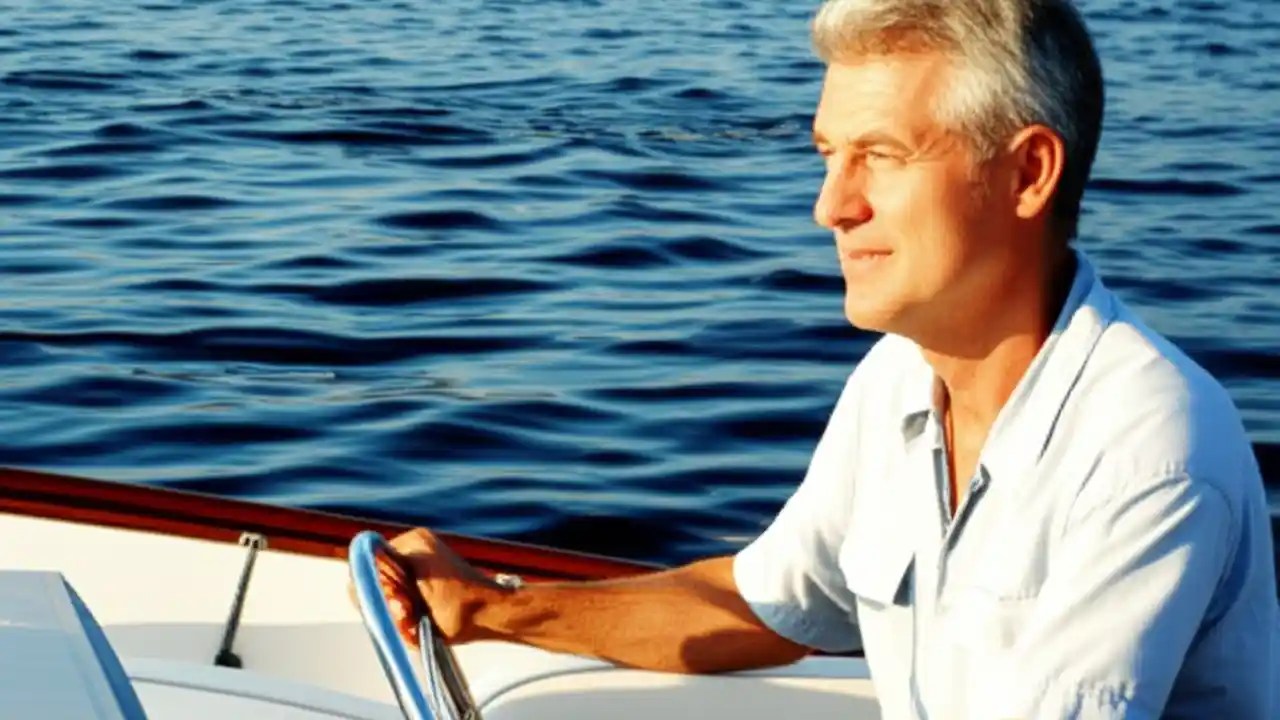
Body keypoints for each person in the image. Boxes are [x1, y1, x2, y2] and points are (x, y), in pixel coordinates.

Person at [367, 1, 1279, 717]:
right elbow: (766, 606)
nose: (831, 207)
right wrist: (493, 609)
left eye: (879, 156)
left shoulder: (1147, 446)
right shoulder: (897, 380)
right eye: (828, 156)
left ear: (1028, 173)